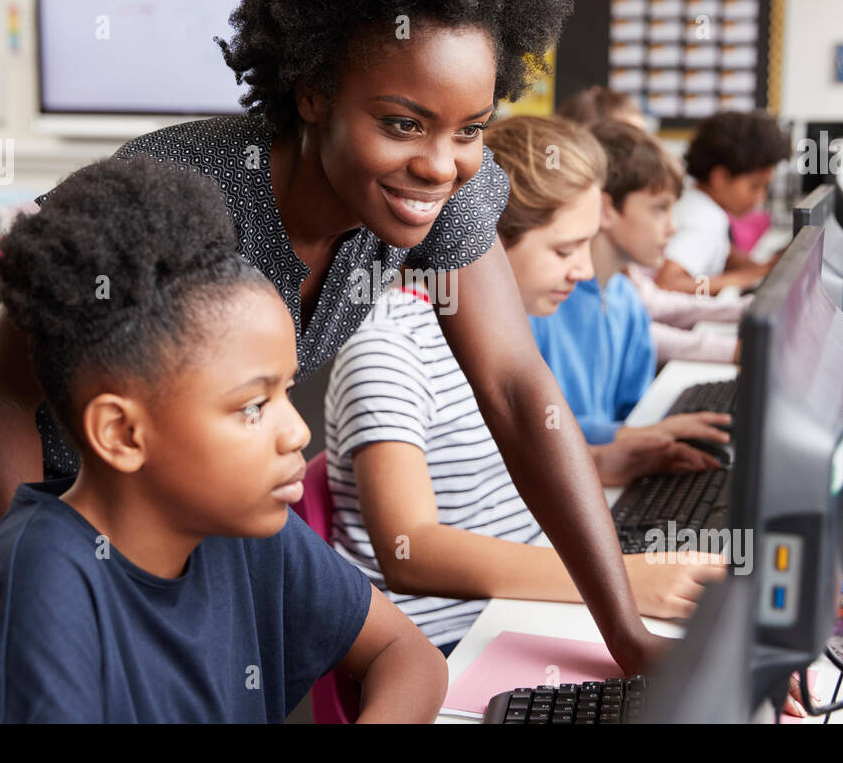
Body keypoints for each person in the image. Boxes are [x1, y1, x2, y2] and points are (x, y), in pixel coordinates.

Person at [0, 0, 668, 704]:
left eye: (471, 127)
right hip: (46, 455)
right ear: (312, 93)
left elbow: (515, 386)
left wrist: (626, 629)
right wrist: (23, 590)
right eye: (401, 122)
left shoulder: (445, 189)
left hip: (193, 472)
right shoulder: (192, 188)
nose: (439, 163)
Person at [0, 156, 443, 722]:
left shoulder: (237, 520)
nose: (298, 431)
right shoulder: (44, 598)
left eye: (287, 392)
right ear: (122, 433)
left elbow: (408, 654)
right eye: (253, 406)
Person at [323, 114, 726, 653]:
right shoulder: (389, 347)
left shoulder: (504, 330)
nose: (584, 271)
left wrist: (605, 462)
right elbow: (409, 551)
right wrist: (624, 579)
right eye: (564, 250)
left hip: (514, 605)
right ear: (487, 239)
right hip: (452, 645)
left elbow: (481, 478)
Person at [528, 118, 740, 430]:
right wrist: (633, 439)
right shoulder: (543, 304)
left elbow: (634, 411)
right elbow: (537, 432)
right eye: (659, 208)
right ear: (607, 209)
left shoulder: (625, 299)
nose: (673, 227)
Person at [654, 110, 791, 295]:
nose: (761, 197)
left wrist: (759, 267)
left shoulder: (691, 200)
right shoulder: (706, 221)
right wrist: (741, 279)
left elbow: (715, 250)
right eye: (755, 186)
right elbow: (668, 284)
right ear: (721, 178)